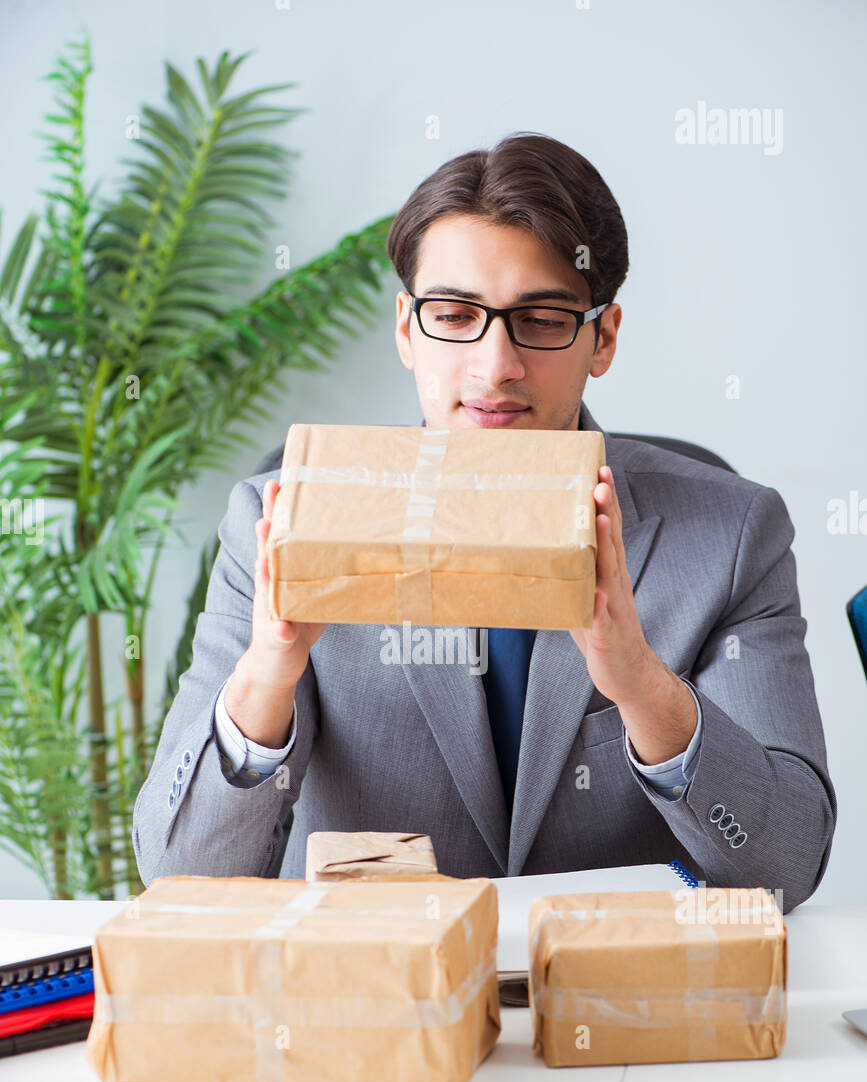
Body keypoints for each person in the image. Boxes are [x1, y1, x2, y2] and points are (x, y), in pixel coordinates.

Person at [133, 132, 836, 908]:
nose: (494, 364)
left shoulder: (734, 536)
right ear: (408, 329)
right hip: (381, 1005)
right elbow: (179, 877)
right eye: (455, 314)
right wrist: (269, 673)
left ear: (602, 337)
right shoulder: (273, 518)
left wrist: (640, 685)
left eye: (539, 318)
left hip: (617, 1000)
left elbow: (787, 865)